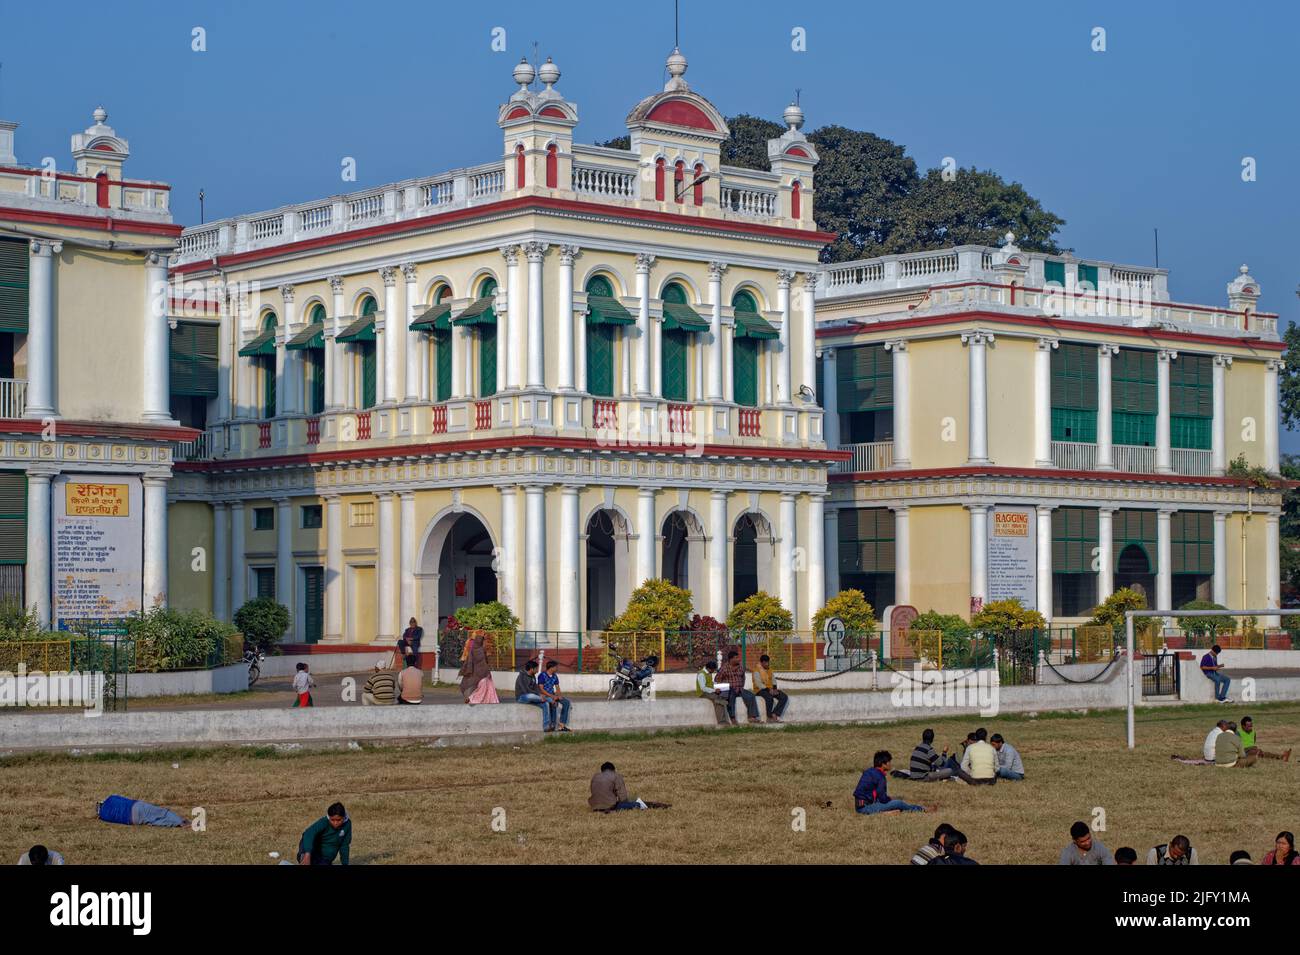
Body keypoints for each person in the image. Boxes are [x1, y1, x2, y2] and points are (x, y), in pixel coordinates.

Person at [853, 751, 927, 815]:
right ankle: (920, 809)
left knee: (891, 801)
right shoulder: (880, 777)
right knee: (898, 803)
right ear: (883, 764)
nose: (890, 764)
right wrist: (890, 800)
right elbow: (882, 798)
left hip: (859, 806)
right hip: (865, 808)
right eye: (889, 762)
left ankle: (886, 812)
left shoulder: (870, 771)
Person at [587, 762, 670, 812]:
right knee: (637, 803)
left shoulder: (595, 776)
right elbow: (623, 798)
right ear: (613, 769)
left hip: (594, 807)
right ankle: (656, 805)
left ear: (602, 770)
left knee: (632, 799)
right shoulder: (616, 776)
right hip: (610, 807)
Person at [902, 729, 976, 783]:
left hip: (914, 775)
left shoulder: (917, 747)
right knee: (951, 770)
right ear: (932, 739)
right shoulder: (929, 749)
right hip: (923, 777)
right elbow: (941, 763)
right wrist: (944, 752)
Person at [717, 650, 760, 725]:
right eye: (736, 658)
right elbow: (717, 679)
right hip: (730, 689)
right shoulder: (724, 668)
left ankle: (752, 717)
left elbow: (743, 677)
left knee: (751, 696)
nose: (738, 659)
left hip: (740, 689)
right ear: (731, 659)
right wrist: (723, 689)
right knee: (731, 698)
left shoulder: (740, 667)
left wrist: (741, 686)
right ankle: (732, 718)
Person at [459, 632, 499, 704]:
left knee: (474, 686)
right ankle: (479, 699)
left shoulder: (472, 650)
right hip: (483, 673)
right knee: (483, 687)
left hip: (474, 671)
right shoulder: (481, 650)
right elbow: (484, 662)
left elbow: (469, 661)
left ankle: (471, 698)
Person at [751, 654, 789, 722]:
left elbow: (774, 680)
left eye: (768, 662)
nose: (767, 664)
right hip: (760, 690)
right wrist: (769, 690)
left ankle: (775, 713)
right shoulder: (756, 671)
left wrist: (775, 689)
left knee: (784, 696)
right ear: (761, 662)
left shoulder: (770, 670)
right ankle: (769, 717)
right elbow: (758, 683)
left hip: (770, 689)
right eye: (765, 662)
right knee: (769, 698)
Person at [514, 659, 551, 730]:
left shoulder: (533, 676)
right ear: (531, 669)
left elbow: (536, 688)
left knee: (545, 704)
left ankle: (546, 726)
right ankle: (549, 699)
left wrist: (539, 694)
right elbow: (526, 690)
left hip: (533, 698)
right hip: (522, 697)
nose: (537, 670)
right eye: (536, 668)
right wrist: (539, 696)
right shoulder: (521, 676)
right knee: (531, 696)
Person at [537, 659, 572, 733]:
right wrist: (552, 696)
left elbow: (557, 688)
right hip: (544, 695)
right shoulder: (542, 675)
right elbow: (541, 689)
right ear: (551, 667)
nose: (557, 669)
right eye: (556, 667)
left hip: (552, 694)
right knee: (553, 703)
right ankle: (552, 725)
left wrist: (559, 695)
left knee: (566, 702)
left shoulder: (555, 676)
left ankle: (561, 725)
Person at [697, 659, 730, 726]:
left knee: (720, 700)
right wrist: (714, 690)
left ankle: (723, 720)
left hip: (710, 691)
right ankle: (721, 722)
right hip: (703, 693)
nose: (713, 671)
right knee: (718, 700)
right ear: (709, 668)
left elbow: (710, 683)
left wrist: (717, 684)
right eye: (713, 670)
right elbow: (703, 688)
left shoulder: (708, 673)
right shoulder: (701, 674)